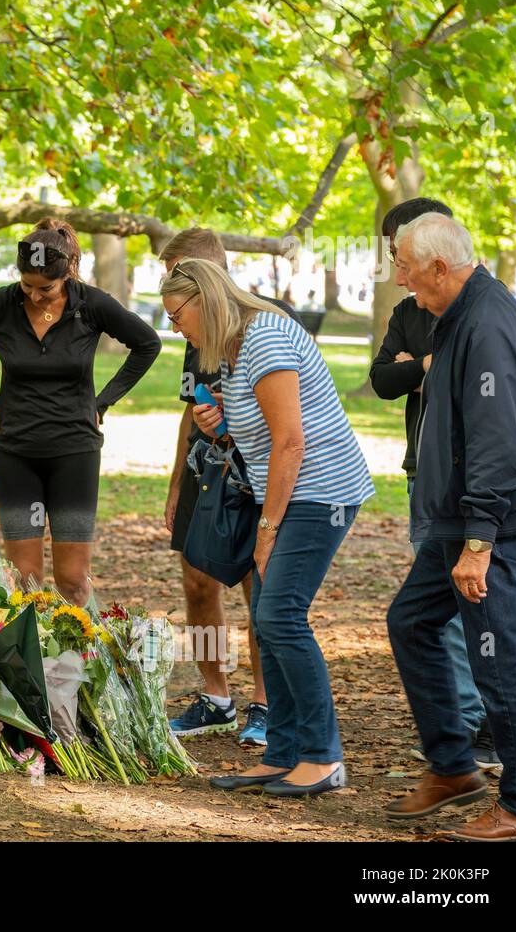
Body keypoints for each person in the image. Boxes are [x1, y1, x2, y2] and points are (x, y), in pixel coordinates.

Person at [162, 258, 373, 797]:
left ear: (204, 301)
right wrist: (222, 427)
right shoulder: (231, 350)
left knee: (280, 614)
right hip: (285, 489)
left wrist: (268, 526)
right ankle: (281, 753)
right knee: (266, 615)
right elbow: (258, 432)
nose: (174, 328)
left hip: (319, 491)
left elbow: (290, 441)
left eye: (176, 315)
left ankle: (323, 756)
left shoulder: (266, 338)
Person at [383, 213, 516, 840]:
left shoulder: (487, 321)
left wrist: (478, 542)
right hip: (455, 517)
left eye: (409, 269)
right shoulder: (458, 312)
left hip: (482, 526)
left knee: (496, 655)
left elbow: (500, 440)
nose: (402, 280)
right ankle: (452, 768)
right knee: (411, 622)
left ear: (440, 267)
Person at [368, 198, 496, 772]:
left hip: (470, 492)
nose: (398, 274)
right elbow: (381, 379)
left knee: (470, 611)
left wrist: (421, 364)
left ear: (432, 256)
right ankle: (463, 736)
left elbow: (491, 417)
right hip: (427, 474)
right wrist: (419, 367)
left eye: (402, 256)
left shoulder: (479, 313)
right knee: (425, 612)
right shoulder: (412, 308)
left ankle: (484, 733)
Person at [0, 218, 161, 605]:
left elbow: (147, 343)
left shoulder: (91, 305)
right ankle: (33, 663)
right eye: (27, 286)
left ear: (67, 274)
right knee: (24, 580)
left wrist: (103, 401)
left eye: (46, 288)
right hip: (14, 453)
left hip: (74, 452)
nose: (35, 296)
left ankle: (75, 662)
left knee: (72, 579)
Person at [160, 229, 297, 748]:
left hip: (257, 474)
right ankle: (215, 697)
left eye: (177, 270)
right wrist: (176, 484)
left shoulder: (268, 318)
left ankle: (265, 703)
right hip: (205, 470)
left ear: (209, 274)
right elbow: (189, 411)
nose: (168, 282)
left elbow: (288, 415)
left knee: (257, 589)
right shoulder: (190, 325)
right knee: (197, 582)